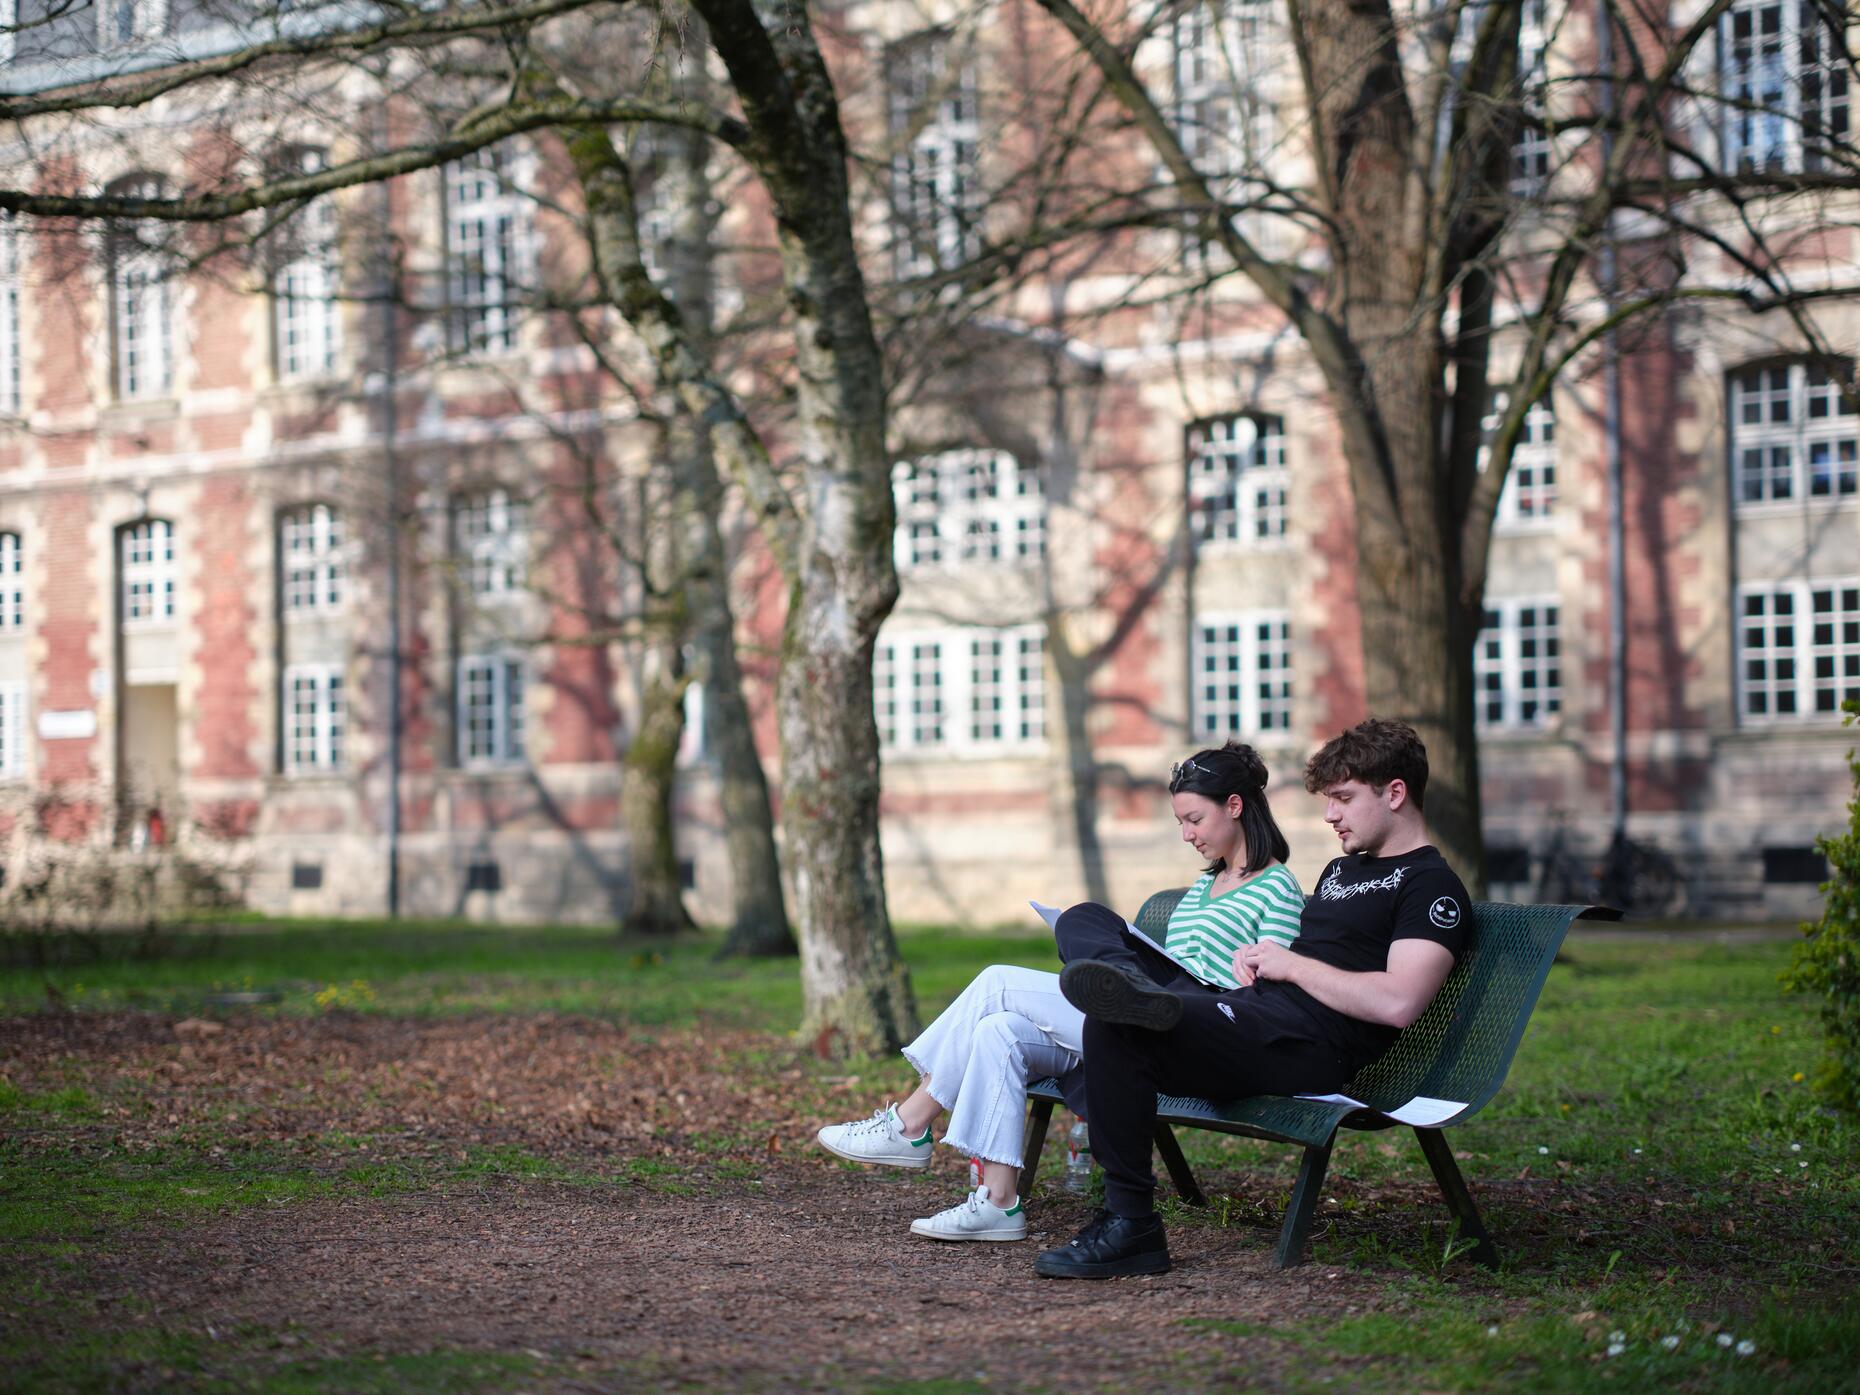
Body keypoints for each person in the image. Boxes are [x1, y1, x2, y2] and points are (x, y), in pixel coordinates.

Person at [1035, 718, 1472, 1279]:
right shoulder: (1342, 871)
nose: (1329, 814)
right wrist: (1264, 957)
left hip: (1311, 1048)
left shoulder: (1431, 887)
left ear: (1395, 793)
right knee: (1102, 971)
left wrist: (1291, 964)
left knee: (1120, 1025)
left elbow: (1399, 1002)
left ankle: (1130, 1225)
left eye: (1342, 798)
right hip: (1261, 1012)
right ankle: (1135, 995)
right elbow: (1324, 955)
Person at [815, 742, 1304, 1243]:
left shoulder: (1277, 888)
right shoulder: (1203, 888)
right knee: (1007, 1019)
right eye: (1181, 822)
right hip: (1153, 1010)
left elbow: (1269, 995)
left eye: (1194, 819)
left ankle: (909, 1123)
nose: (1186, 835)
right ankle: (999, 1203)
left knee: (997, 982)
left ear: (1236, 806)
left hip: (1203, 1026)